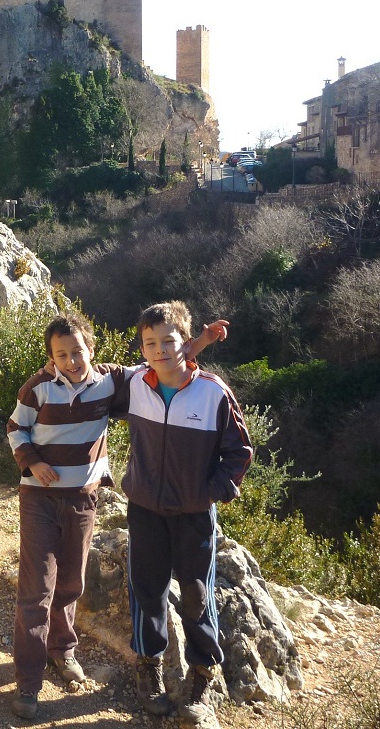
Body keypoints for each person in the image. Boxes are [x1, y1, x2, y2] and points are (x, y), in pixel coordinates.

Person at [5, 313, 226, 721]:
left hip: (84, 498)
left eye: (78, 351)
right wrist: (32, 463)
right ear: (51, 357)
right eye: (61, 354)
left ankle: (62, 652)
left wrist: (199, 344)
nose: (72, 361)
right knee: (38, 588)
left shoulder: (110, 381)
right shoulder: (37, 388)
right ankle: (29, 681)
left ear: (92, 349)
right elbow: (16, 428)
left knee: (71, 581)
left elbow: (163, 361)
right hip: (39, 497)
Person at [123, 300, 252, 729]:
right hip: (144, 509)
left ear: (185, 342)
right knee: (147, 590)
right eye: (150, 343)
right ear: (141, 348)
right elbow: (81, 372)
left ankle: (201, 675)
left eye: (168, 341)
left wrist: (209, 494)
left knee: (197, 594)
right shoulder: (135, 384)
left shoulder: (213, 393)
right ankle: (149, 666)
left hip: (192, 515)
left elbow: (239, 453)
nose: (159, 350)